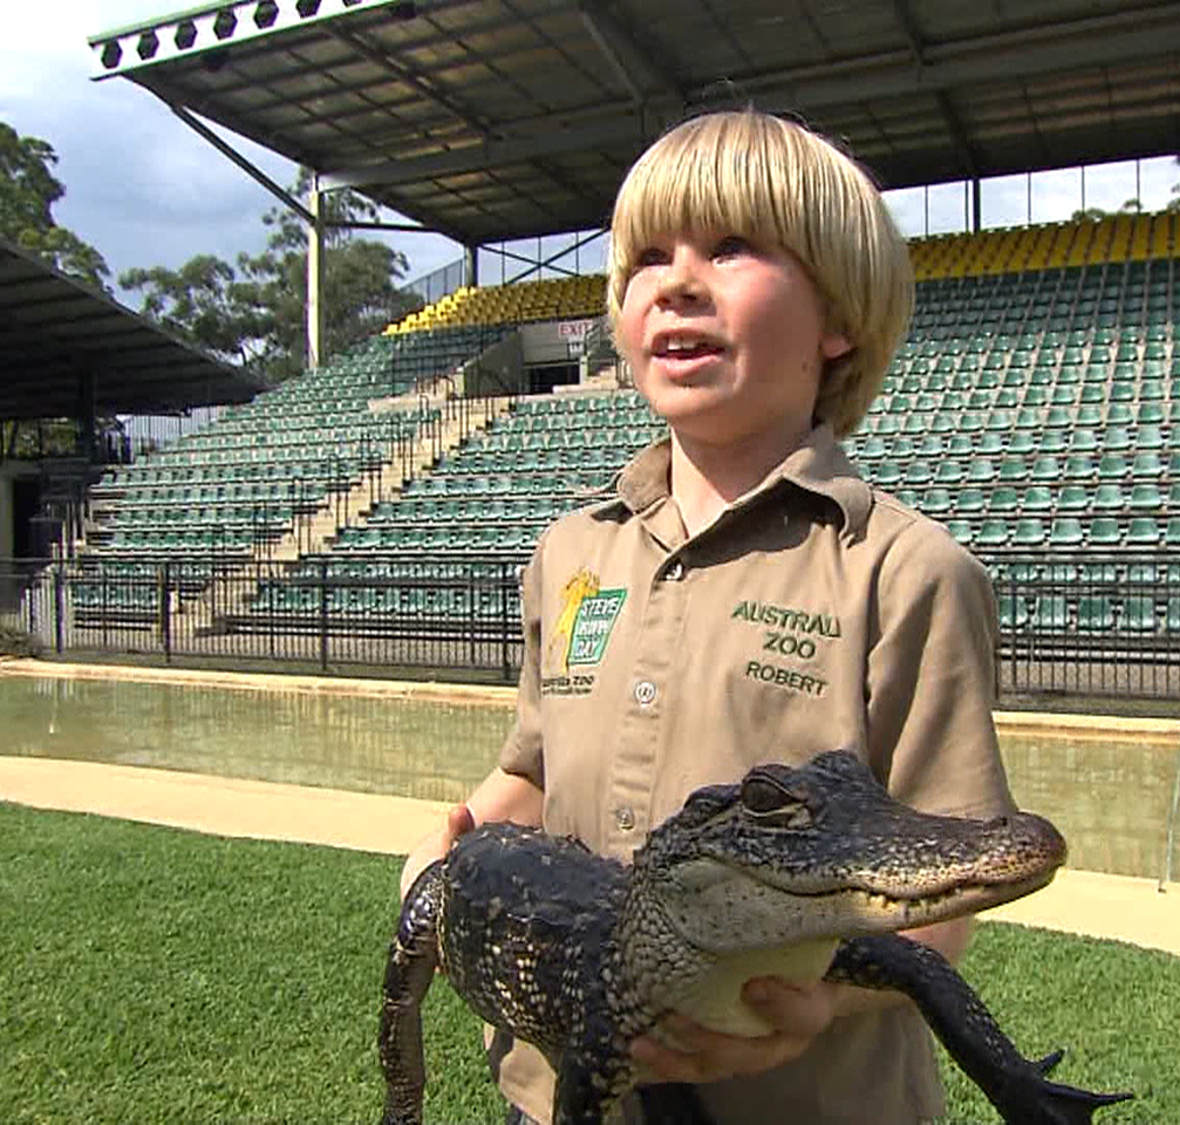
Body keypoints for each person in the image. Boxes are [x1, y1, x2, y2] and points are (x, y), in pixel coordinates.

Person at [400, 109, 1016, 1125]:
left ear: (839, 315)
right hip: (568, 1088)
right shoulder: (570, 553)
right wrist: (448, 844)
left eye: (730, 248)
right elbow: (532, 771)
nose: (677, 280)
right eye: (646, 258)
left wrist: (821, 1000)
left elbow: (948, 874)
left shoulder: (908, 573)